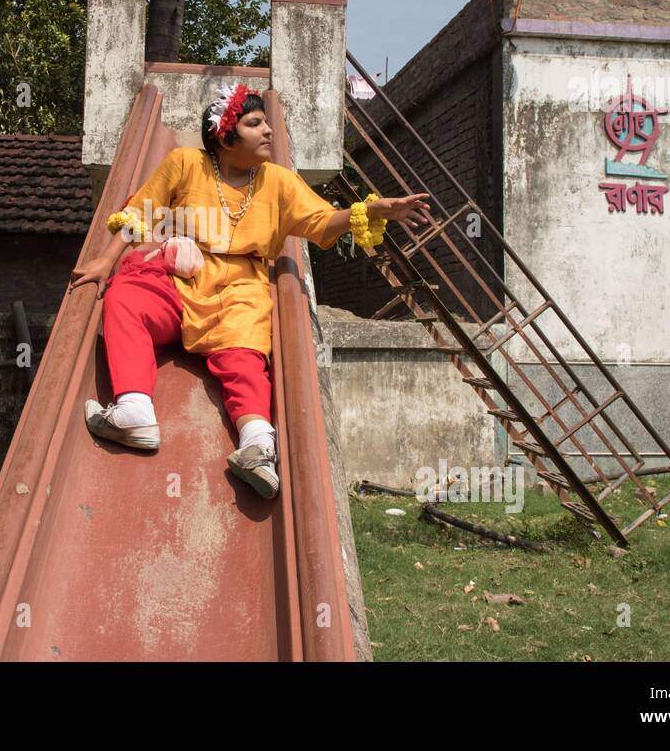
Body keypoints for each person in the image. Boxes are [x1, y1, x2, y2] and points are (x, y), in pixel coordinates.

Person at [67, 83, 433, 499]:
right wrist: (105, 260)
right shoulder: (185, 163)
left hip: (241, 289)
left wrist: (370, 210)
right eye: (254, 124)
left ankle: (257, 446)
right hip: (181, 280)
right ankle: (134, 410)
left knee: (245, 357)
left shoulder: (278, 181)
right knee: (126, 296)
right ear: (225, 135)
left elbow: (320, 222)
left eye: (266, 124)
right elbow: (139, 212)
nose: (268, 132)